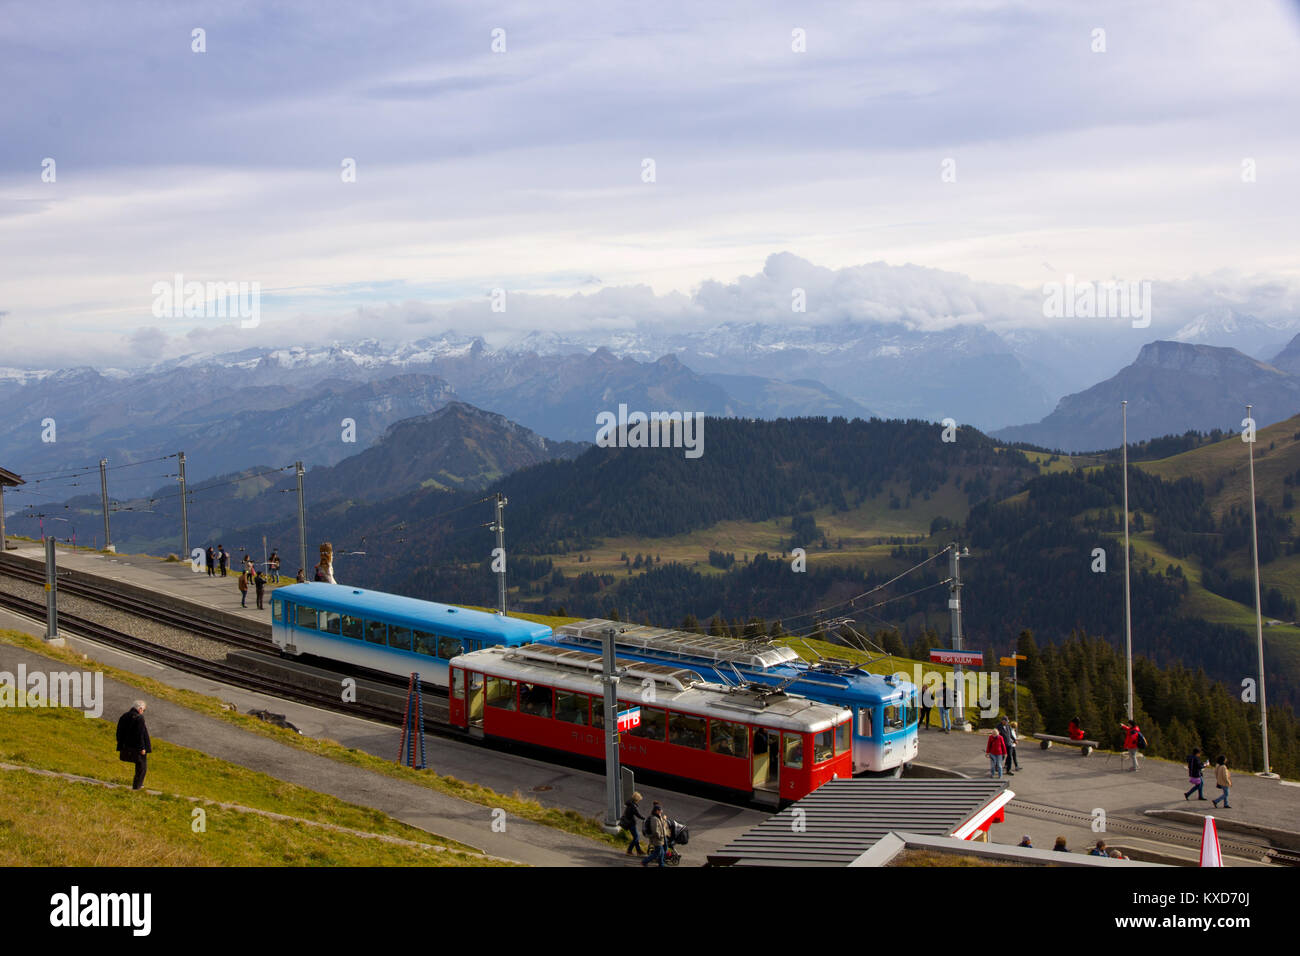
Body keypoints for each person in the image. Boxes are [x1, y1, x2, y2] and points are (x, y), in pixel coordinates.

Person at [115, 700, 152, 790]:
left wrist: (121, 744)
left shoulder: (124, 716)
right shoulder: (139, 718)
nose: (143, 712)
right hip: (137, 747)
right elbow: (139, 734)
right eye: (144, 710)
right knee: (142, 766)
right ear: (140, 709)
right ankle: (137, 786)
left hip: (125, 746)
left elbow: (119, 732)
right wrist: (142, 747)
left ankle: (138, 785)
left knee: (139, 764)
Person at [619, 792, 646, 856]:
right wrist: (644, 818)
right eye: (639, 800)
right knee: (636, 837)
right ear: (637, 799)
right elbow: (638, 814)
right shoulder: (633, 806)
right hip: (631, 824)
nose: (639, 801)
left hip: (629, 822)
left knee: (635, 837)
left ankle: (639, 851)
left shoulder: (630, 803)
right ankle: (629, 851)